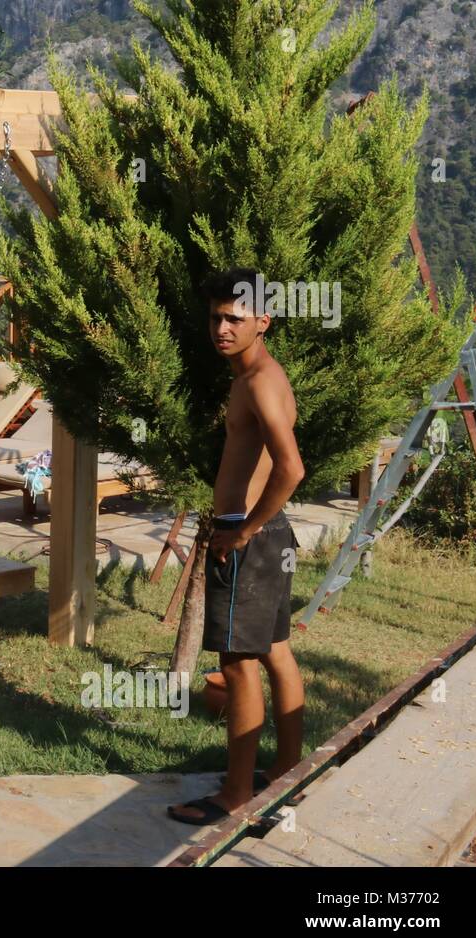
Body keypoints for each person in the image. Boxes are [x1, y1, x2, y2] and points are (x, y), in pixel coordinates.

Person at [168, 268, 307, 826]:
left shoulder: (258, 381)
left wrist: (243, 529)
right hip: (268, 538)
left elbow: (292, 468)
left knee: (238, 663)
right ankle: (289, 774)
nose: (221, 328)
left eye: (234, 319)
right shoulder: (253, 374)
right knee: (275, 651)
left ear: (263, 322)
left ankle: (236, 796)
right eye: (215, 318)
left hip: (250, 541)